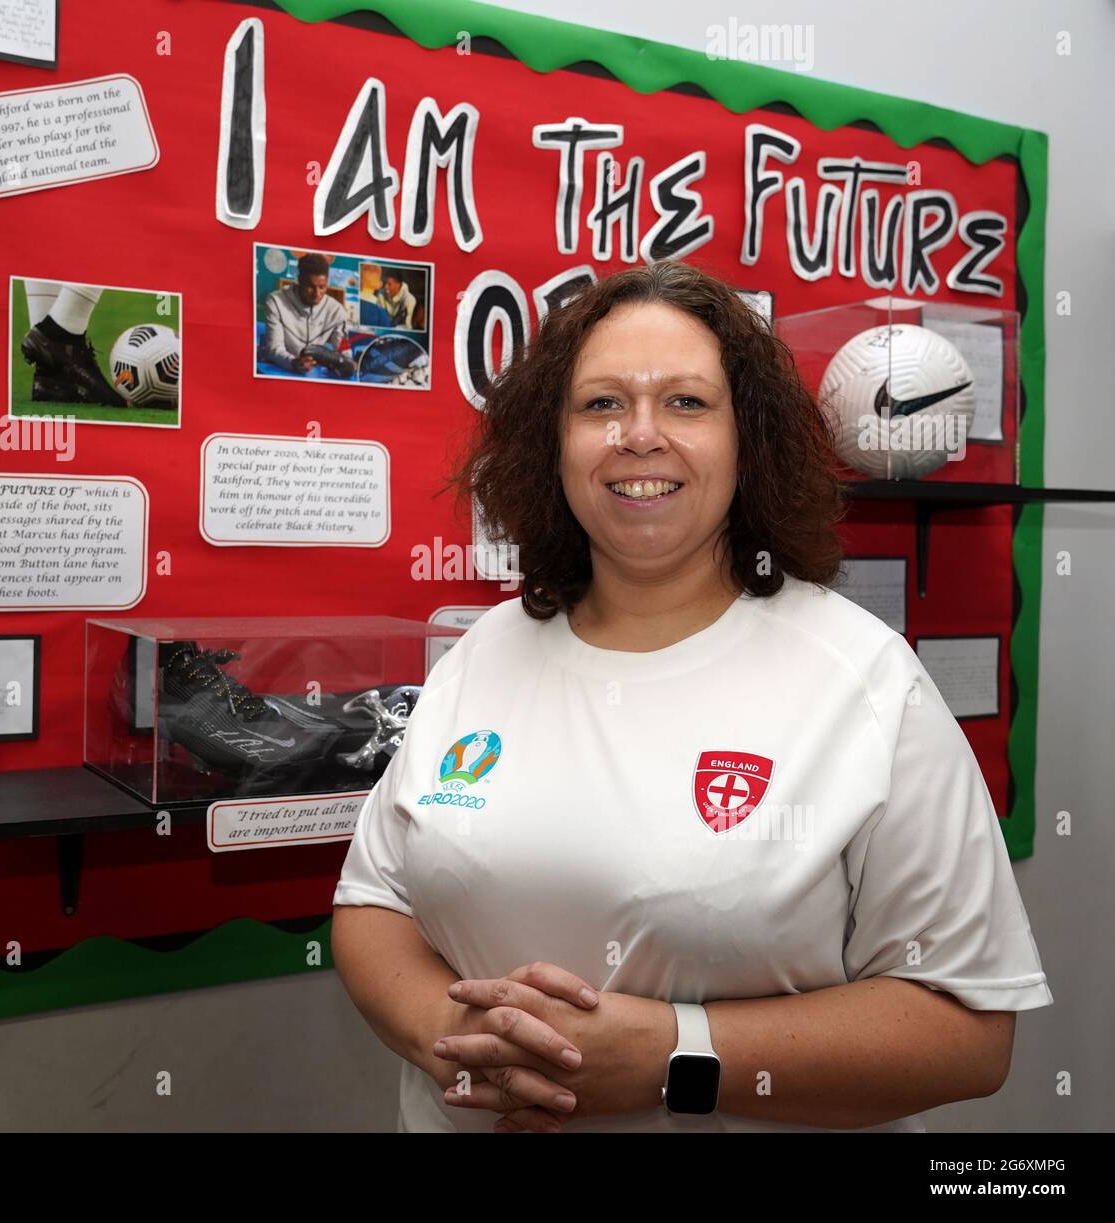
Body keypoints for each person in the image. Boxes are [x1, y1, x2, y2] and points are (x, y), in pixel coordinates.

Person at [331, 260, 1052, 1133]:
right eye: (601, 404)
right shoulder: (483, 654)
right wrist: (458, 1032)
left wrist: (679, 1058)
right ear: (550, 443)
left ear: (747, 441)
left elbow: (970, 1033)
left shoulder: (864, 680)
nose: (639, 435)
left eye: (686, 402)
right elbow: (374, 906)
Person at [259, 252, 350, 374]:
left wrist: (347, 362)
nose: (317, 294)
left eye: (322, 287)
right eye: (311, 287)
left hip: (313, 373)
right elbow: (275, 348)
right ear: (300, 280)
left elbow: (343, 350)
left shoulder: (337, 311)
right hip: (278, 369)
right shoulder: (276, 301)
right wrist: (293, 362)